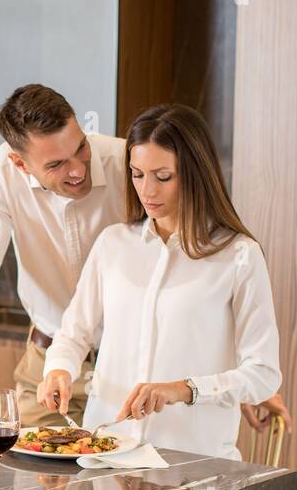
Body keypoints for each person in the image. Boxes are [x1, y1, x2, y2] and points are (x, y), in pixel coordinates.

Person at [0, 84, 291, 435]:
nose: (77, 170)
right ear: (21, 165)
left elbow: (204, 269)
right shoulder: (5, 179)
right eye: (55, 165)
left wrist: (235, 385)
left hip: (144, 377)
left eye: (80, 149)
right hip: (53, 359)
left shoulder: (133, 162)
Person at [37, 103, 283, 460]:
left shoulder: (239, 256)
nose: (147, 190)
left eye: (162, 176)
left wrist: (185, 389)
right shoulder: (113, 244)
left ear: (195, 173)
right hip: (107, 455)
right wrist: (58, 368)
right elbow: (74, 333)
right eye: (137, 174)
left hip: (193, 464)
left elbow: (263, 374)